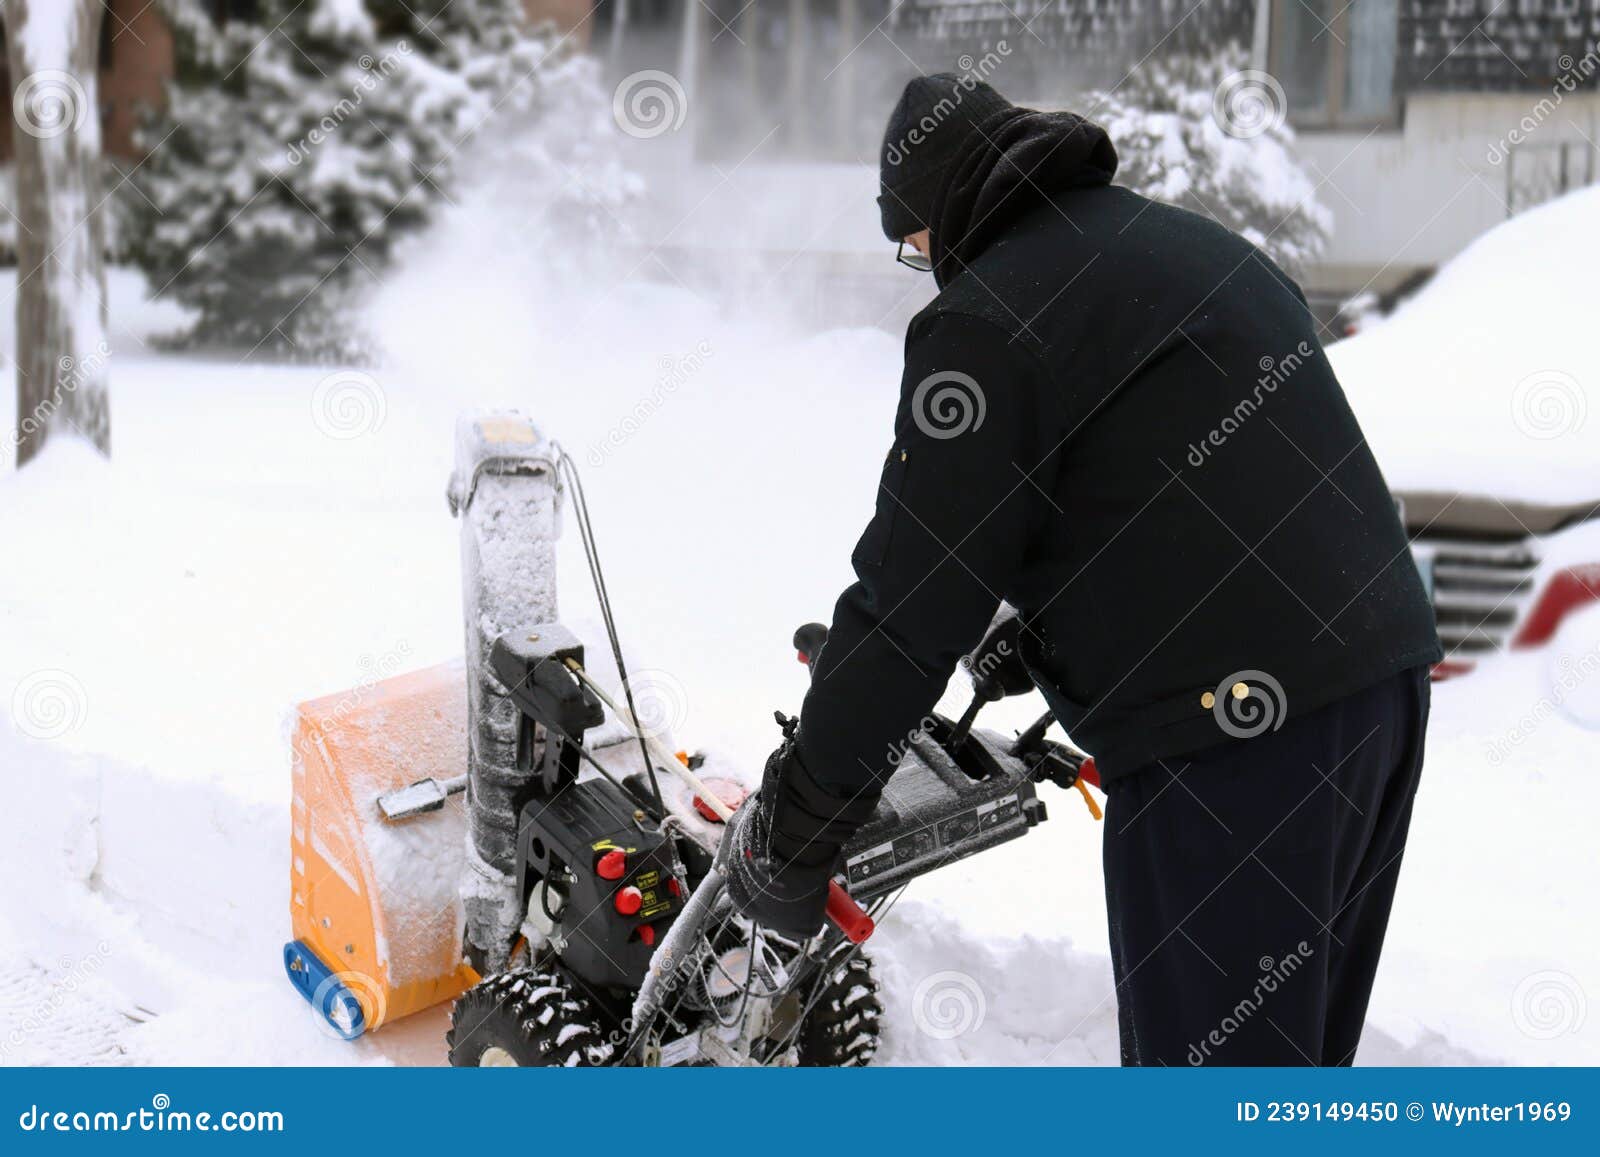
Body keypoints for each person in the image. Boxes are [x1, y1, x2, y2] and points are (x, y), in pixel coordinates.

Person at [719, 73, 1441, 1067]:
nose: (921, 266)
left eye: (910, 243)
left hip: (1233, 734)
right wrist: (1058, 617)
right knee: (1291, 1074)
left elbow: (910, 601)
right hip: (1378, 693)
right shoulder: (1195, 247)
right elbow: (1202, 484)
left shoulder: (985, 319)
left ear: (938, 215)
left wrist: (801, 820)